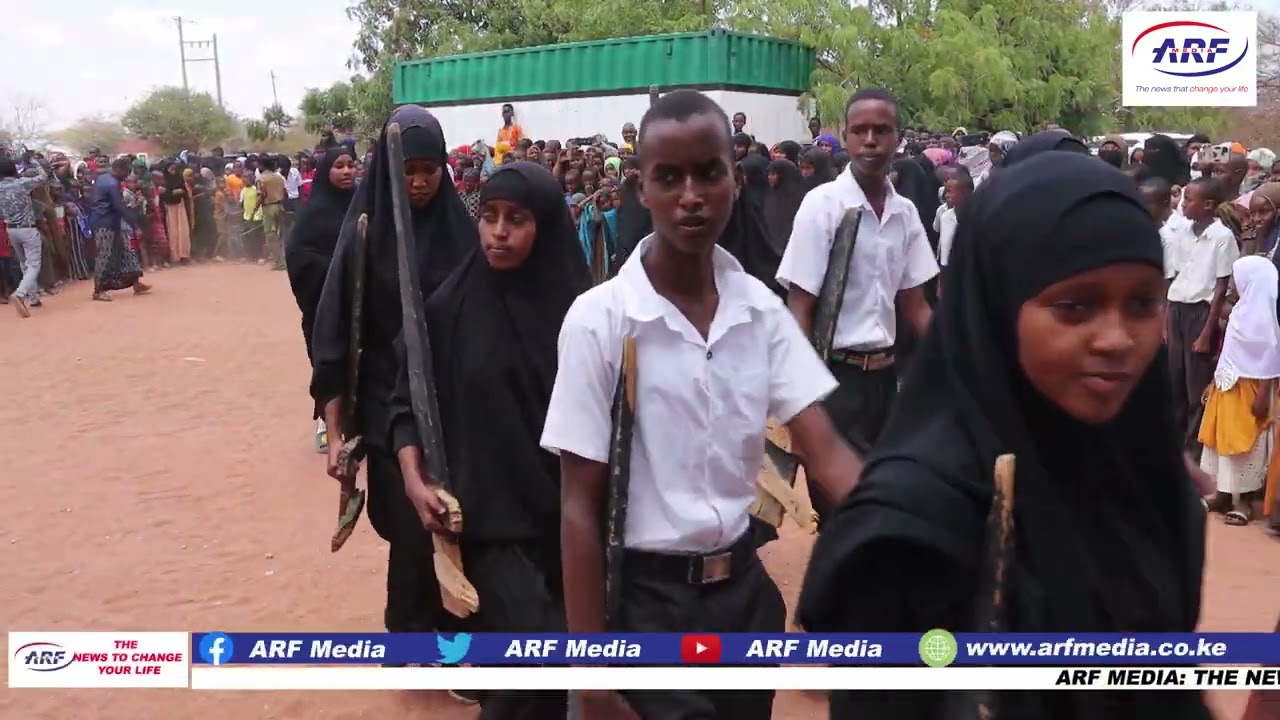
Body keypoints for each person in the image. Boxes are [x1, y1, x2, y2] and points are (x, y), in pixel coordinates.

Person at [799, 151, 1210, 720]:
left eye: (1141, 303)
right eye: (1075, 307)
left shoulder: (1152, 487)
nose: (1116, 338)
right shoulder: (917, 526)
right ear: (996, 307)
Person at [542, 89, 863, 720]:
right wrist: (592, 674)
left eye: (709, 173)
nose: (691, 195)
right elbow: (579, 504)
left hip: (743, 603)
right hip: (646, 610)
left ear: (734, 181)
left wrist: (921, 525)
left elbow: (826, 455)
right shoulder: (601, 321)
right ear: (641, 187)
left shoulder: (761, 312)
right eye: (669, 177)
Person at [392, 162, 589, 718]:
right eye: (490, 217)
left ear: (545, 226)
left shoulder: (583, 317)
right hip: (488, 529)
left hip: (571, 527)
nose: (498, 231)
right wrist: (413, 478)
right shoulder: (447, 307)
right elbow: (407, 403)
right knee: (539, 663)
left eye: (517, 219)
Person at [310, 105, 476, 647]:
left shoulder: (463, 233)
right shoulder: (363, 235)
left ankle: (458, 635)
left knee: (460, 524)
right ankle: (409, 639)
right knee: (410, 532)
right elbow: (334, 338)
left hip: (455, 408)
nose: (420, 181)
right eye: (408, 170)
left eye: (430, 168)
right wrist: (336, 436)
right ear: (387, 169)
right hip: (386, 410)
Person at [776, 88, 937, 519]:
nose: (870, 140)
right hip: (834, 383)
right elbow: (800, 306)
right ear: (845, 138)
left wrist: (958, 358)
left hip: (886, 383)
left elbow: (916, 306)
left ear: (897, 139)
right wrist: (803, 400)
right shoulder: (823, 206)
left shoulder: (905, 214)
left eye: (881, 131)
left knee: (887, 509)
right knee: (844, 518)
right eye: (860, 131)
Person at [285, 146, 359, 453]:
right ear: (326, 172)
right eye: (338, 166)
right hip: (324, 307)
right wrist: (338, 271)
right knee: (329, 362)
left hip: (361, 304)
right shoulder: (312, 214)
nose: (346, 171)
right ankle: (327, 423)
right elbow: (298, 256)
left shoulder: (363, 206)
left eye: (350, 165)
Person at [1199, 256, 1280, 525]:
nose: (1232, 282)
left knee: (1245, 444)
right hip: (1226, 386)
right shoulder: (1239, 312)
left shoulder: (1267, 320)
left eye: (1235, 276)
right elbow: (1228, 353)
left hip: (1251, 391)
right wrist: (1213, 383)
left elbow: (1271, 361)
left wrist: (1263, 394)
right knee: (1220, 441)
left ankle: (1243, 501)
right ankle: (1222, 494)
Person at [1168, 177, 1239, 452]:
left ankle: (1193, 448)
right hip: (1177, 308)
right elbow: (1175, 276)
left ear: (1208, 205)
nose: (1183, 205)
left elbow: (1221, 286)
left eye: (1188, 200)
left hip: (1201, 313)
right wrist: (1166, 320)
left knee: (1195, 385)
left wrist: (1207, 332)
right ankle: (1173, 442)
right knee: (1174, 378)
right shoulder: (1183, 232)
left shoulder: (1222, 238)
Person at [89, 158, 151, 301]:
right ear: (119, 169)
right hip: (105, 223)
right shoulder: (112, 183)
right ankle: (98, 290)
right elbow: (120, 206)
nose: (128, 174)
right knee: (104, 256)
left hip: (109, 221)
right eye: (127, 171)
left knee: (126, 253)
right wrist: (135, 226)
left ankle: (135, 283)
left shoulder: (104, 179)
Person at [0, 157, 48, 316]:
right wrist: (33, 161)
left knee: (24, 263)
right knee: (34, 265)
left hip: (10, 229)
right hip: (27, 229)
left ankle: (33, 297)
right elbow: (43, 177)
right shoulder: (21, 184)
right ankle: (20, 294)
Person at [763, 159, 806, 255]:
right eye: (769, 174)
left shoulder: (800, 199)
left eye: (774, 174)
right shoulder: (770, 196)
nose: (770, 178)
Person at [257, 157, 288, 270]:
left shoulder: (262, 179)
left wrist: (255, 209)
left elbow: (261, 195)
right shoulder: (279, 177)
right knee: (281, 235)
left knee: (271, 235)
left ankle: (279, 263)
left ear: (262, 166)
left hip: (268, 207)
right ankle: (284, 260)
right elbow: (285, 192)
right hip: (280, 205)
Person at [161, 163, 193, 264]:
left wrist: (176, 192)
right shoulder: (163, 179)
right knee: (172, 232)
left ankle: (184, 255)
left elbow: (184, 191)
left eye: (174, 168)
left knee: (182, 231)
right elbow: (164, 194)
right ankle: (174, 256)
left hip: (180, 207)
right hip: (168, 208)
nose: (173, 171)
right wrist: (171, 193)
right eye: (171, 168)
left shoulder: (179, 178)